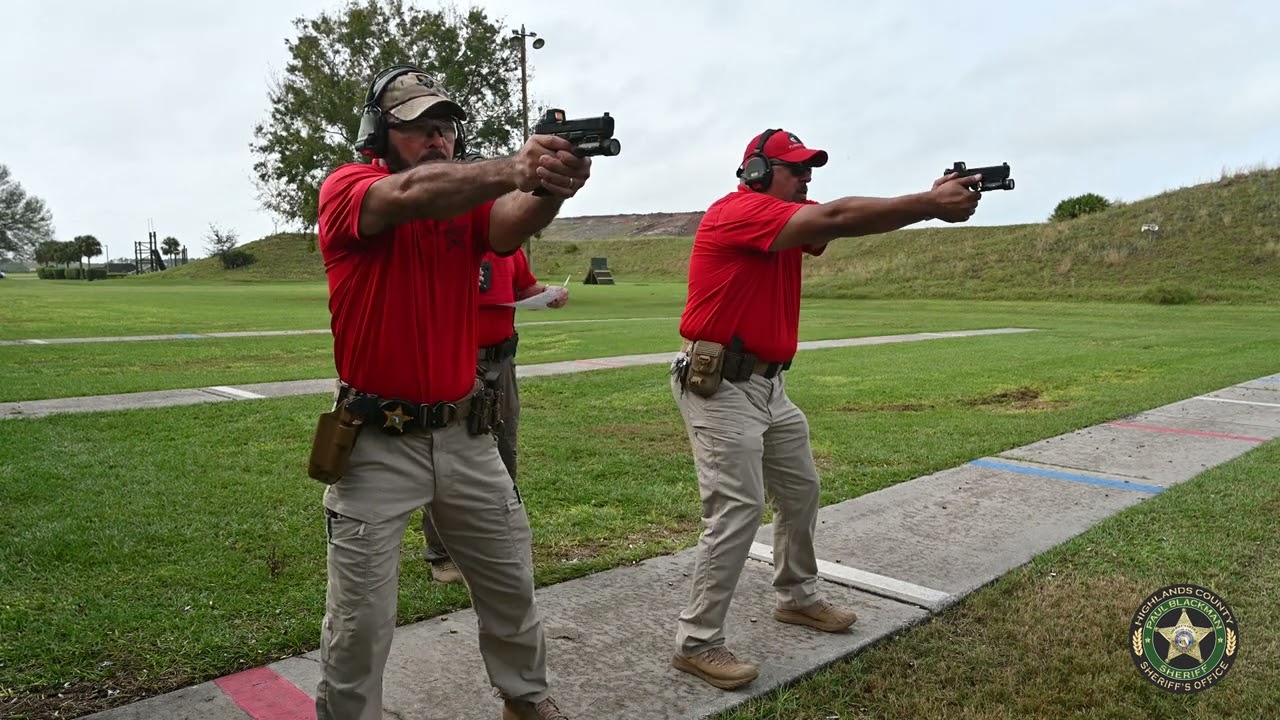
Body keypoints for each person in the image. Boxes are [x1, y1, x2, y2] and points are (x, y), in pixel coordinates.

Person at [312, 64, 590, 720]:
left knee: (511, 589)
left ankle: (526, 701)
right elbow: (412, 195)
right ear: (380, 136)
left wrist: (552, 185)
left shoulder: (467, 205)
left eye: (445, 129)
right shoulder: (350, 187)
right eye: (418, 130)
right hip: (375, 441)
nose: (437, 140)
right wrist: (514, 165)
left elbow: (511, 224)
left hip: (467, 434)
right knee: (358, 625)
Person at [667, 128, 982, 691]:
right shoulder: (737, 211)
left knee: (801, 491)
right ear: (757, 172)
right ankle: (698, 643)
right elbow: (838, 217)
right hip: (721, 385)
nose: (807, 177)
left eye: (809, 168)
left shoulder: (785, 222)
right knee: (737, 509)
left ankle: (796, 597)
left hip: (768, 387)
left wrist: (927, 201)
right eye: (796, 169)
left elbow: (850, 217)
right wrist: (932, 204)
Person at [422, 245, 568, 584]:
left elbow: (524, 287)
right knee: (447, 454)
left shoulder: (510, 247)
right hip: (454, 361)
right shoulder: (446, 242)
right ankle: (442, 554)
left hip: (501, 363)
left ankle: (496, 543)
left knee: (504, 449)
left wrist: (548, 294)